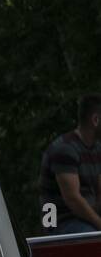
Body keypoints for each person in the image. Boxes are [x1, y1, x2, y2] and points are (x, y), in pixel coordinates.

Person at [40, 94, 101, 235]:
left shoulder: (97, 149)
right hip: (60, 223)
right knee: (93, 240)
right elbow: (73, 199)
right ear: (95, 120)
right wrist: (99, 224)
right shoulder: (65, 149)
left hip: (87, 219)